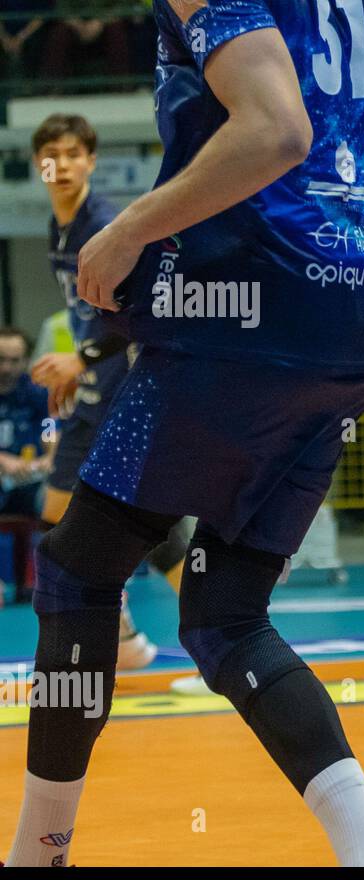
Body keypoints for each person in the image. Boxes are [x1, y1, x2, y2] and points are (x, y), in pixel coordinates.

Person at [5, 0, 364, 867]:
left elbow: (274, 129)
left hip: (246, 317)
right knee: (226, 613)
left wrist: (128, 232)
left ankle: (36, 863)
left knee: (79, 573)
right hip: (353, 326)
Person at [28, 112, 159, 671]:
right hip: (92, 385)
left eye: (74, 153)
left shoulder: (102, 225)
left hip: (121, 381)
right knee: (63, 509)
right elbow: (86, 313)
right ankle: (126, 632)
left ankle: (217, 636)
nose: (62, 164)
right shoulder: (59, 226)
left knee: (125, 515)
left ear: (91, 161)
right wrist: (73, 371)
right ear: (40, 165)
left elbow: (135, 313)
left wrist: (78, 361)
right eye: (51, 154)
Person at [0, 329, 54, 520]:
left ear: (26, 361)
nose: (6, 368)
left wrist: (49, 457)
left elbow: (50, 430)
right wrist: (4, 461)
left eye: (14, 361)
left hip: (31, 479)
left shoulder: (39, 394)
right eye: (1, 359)